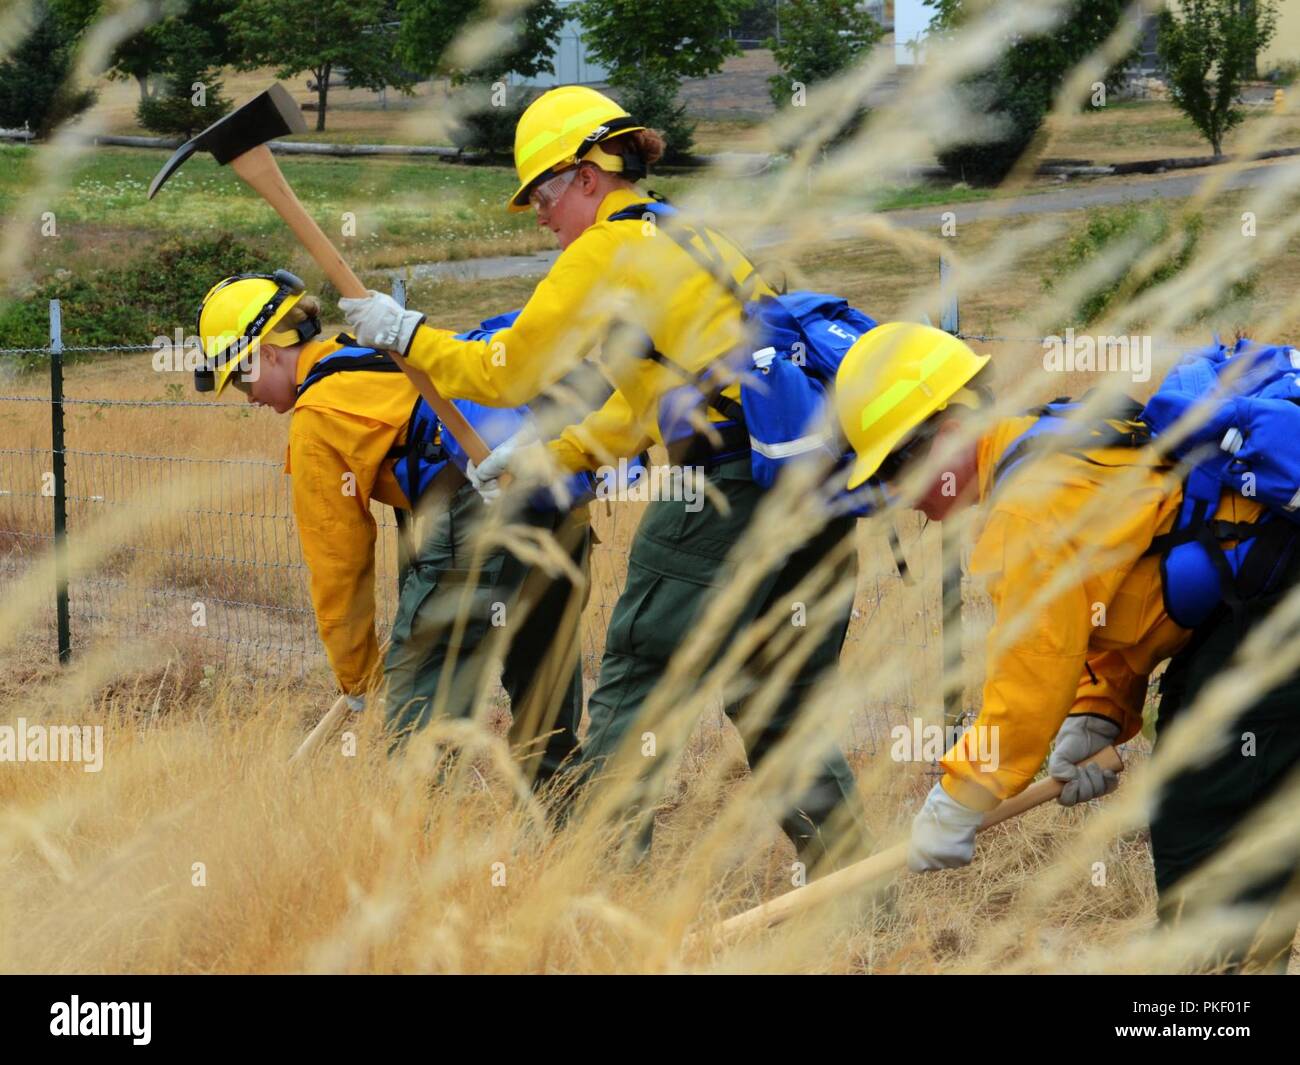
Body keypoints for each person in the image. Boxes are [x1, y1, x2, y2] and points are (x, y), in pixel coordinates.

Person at [336, 85, 874, 872]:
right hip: (809, 488)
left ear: (590, 174)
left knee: (637, 671)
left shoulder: (606, 249)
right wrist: (545, 459)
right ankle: (856, 895)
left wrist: (407, 332)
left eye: (546, 193)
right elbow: (644, 406)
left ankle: (597, 888)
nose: (542, 215)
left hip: (719, 491)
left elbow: (510, 369)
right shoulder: (691, 239)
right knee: (776, 699)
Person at [834, 322, 1300, 968]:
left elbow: (1032, 671)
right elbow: (1137, 573)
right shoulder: (1051, 436)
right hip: (1263, 599)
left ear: (945, 434)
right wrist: (1099, 711)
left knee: (1203, 802)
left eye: (893, 470)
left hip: (1278, 607)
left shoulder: (1027, 504)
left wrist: (963, 792)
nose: (900, 500)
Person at [192, 272, 588, 786]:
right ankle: (566, 824)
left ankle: (415, 842)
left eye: (241, 379)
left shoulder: (317, 415)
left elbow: (338, 559)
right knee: (544, 667)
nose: (246, 397)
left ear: (268, 351)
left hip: (475, 503)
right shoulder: (374, 357)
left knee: (422, 700)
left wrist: (357, 675)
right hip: (552, 487)